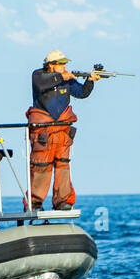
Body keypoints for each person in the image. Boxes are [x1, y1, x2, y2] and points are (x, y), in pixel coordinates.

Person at [28, 50, 99, 210]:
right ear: (51, 65)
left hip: (62, 133)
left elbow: (82, 93)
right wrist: (62, 77)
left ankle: (63, 201)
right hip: (42, 133)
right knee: (40, 167)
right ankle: (34, 203)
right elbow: (42, 85)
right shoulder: (38, 75)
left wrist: (90, 81)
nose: (64, 66)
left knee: (63, 166)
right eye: (61, 64)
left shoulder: (67, 79)